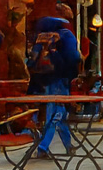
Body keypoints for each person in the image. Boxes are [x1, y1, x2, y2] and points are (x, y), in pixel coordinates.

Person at [28, 15, 82, 158]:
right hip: (60, 79)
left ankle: (68, 145)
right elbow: (74, 57)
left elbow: (31, 61)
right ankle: (43, 147)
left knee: (60, 112)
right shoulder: (66, 36)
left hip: (42, 81)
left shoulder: (41, 37)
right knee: (56, 114)